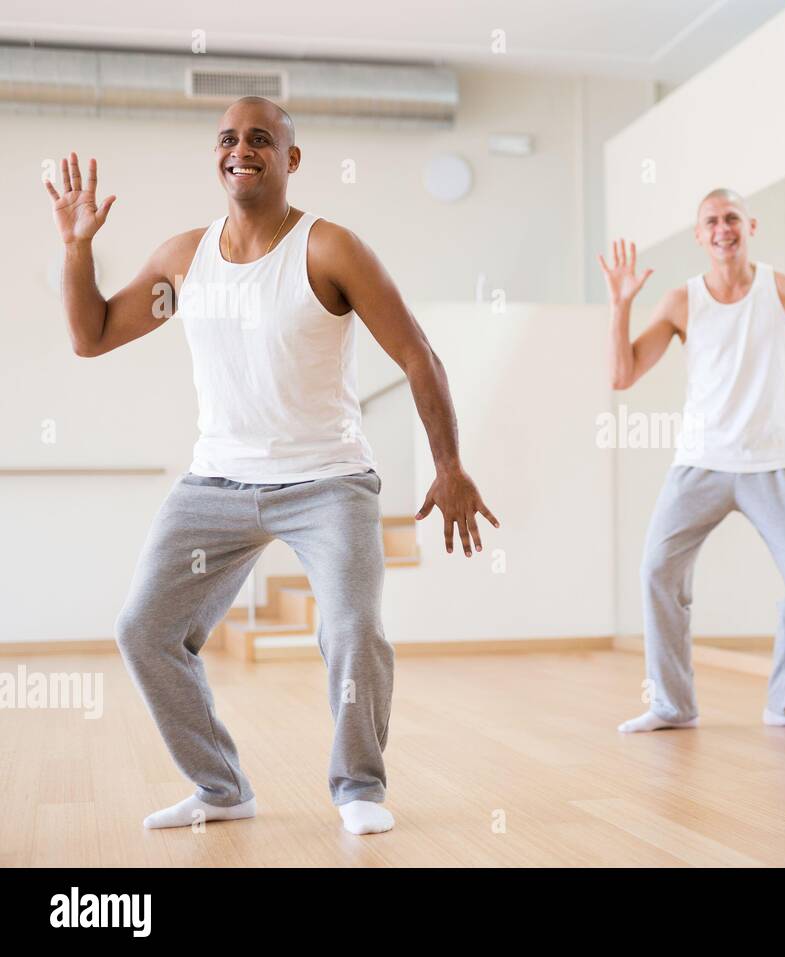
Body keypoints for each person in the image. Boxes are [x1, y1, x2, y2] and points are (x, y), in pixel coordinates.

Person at [45, 96, 498, 836]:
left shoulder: (329, 249)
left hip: (328, 481)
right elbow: (91, 335)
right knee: (143, 629)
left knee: (353, 627)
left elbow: (419, 354)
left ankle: (358, 785)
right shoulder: (183, 259)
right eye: (228, 138)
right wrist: (75, 247)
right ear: (216, 157)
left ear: (291, 159)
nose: (241, 149)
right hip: (216, 484)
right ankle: (220, 788)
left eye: (261, 138)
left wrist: (448, 465)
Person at [603, 188, 785, 733]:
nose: (722, 228)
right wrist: (620, 305)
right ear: (700, 236)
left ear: (751, 227)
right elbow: (622, 375)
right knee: (657, 571)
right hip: (699, 464)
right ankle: (672, 705)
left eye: (732, 219)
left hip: (771, 464)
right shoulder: (680, 301)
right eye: (711, 222)